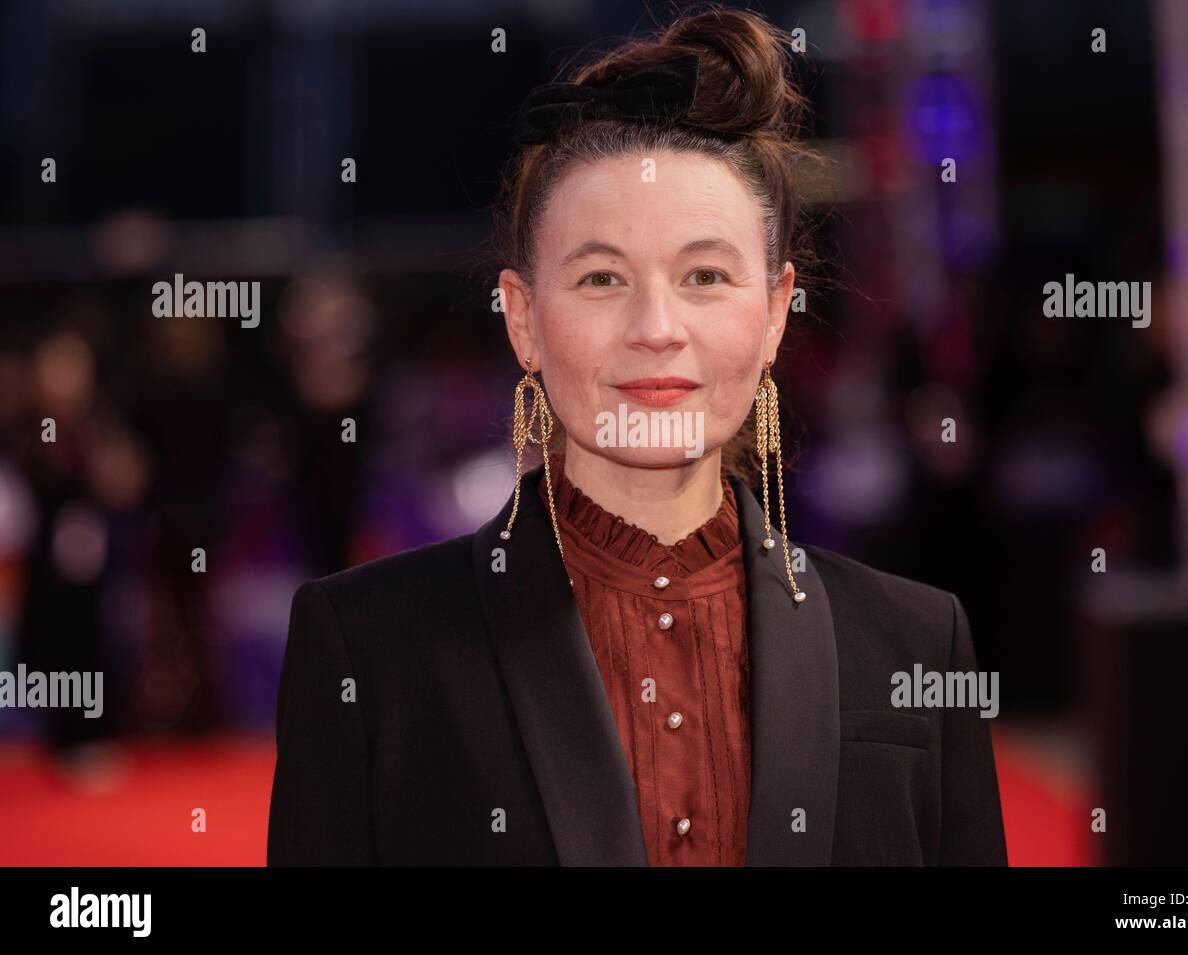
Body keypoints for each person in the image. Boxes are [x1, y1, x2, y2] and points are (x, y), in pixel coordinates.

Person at [267, 7, 1007, 866]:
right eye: (601, 276)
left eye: (705, 275)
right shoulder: (371, 649)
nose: (656, 327)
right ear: (523, 320)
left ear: (774, 314)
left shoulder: (915, 645)